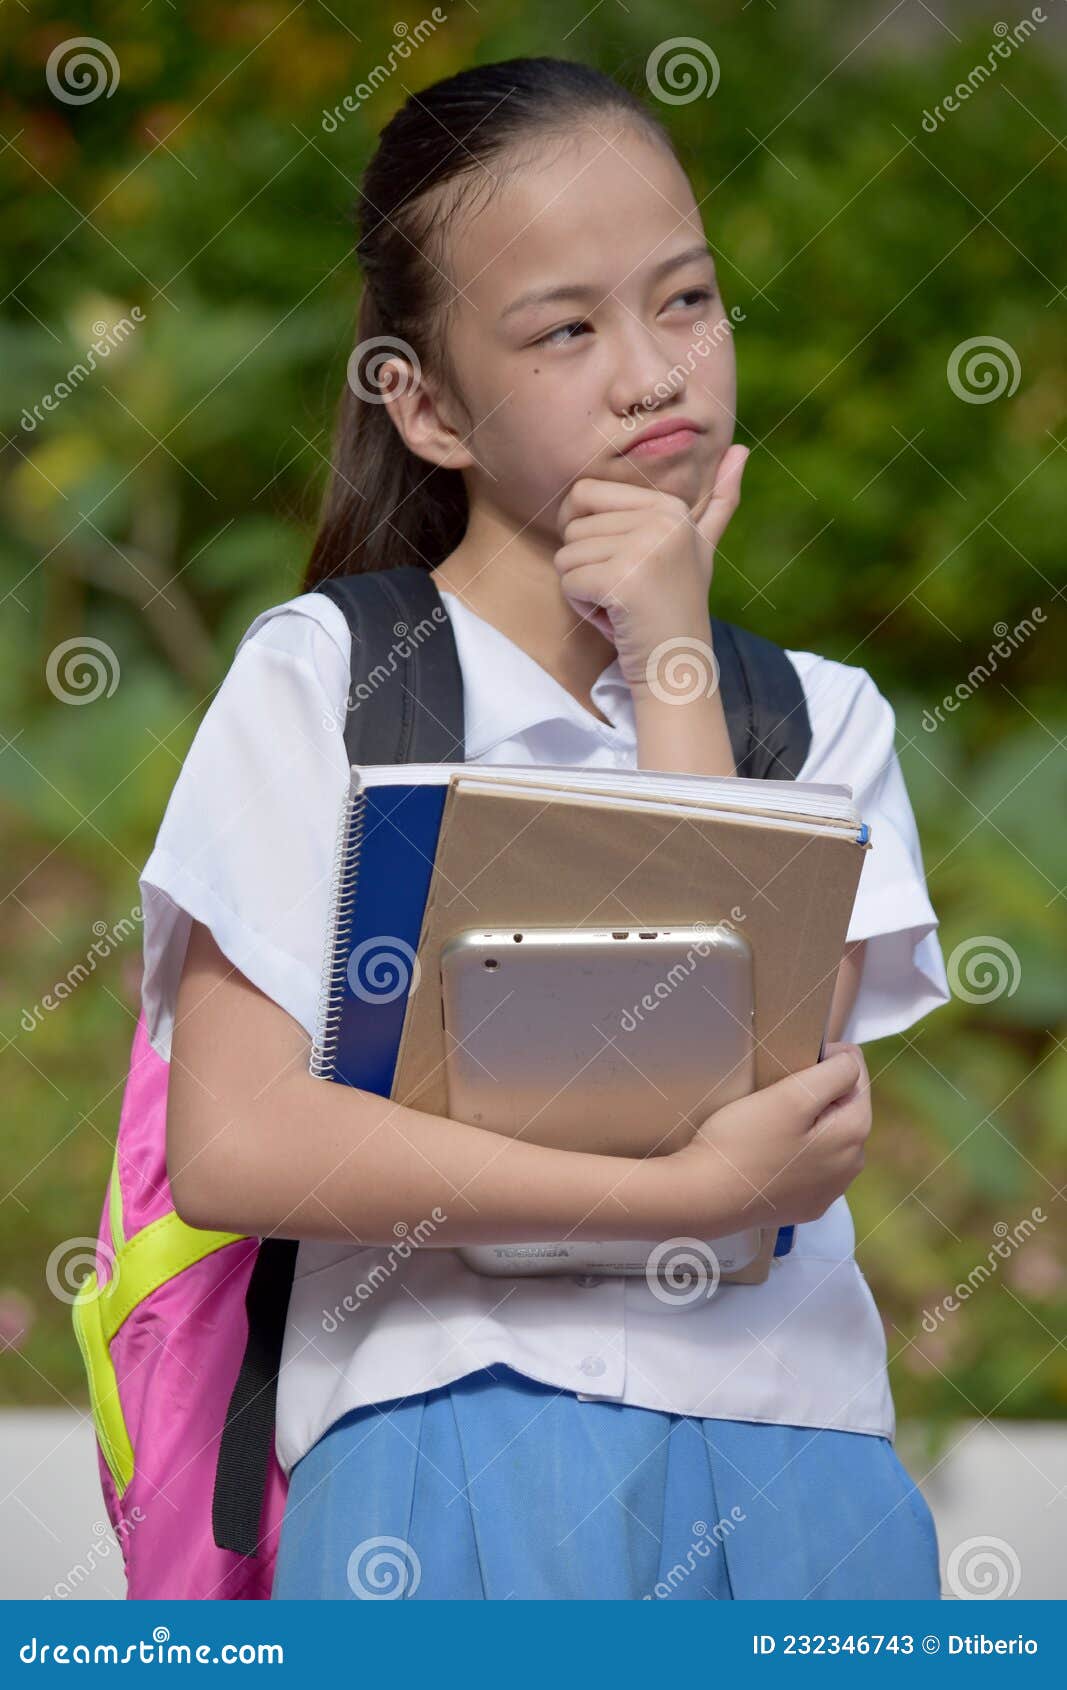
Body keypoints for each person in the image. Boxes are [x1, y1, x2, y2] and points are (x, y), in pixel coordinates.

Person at [144, 57, 950, 1600]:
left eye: (689, 300)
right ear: (427, 402)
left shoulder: (820, 717)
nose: (654, 373)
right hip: (443, 1458)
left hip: (805, 1475)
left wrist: (672, 661)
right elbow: (238, 1140)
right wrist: (674, 1200)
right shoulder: (325, 681)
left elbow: (755, 1095)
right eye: (567, 329)